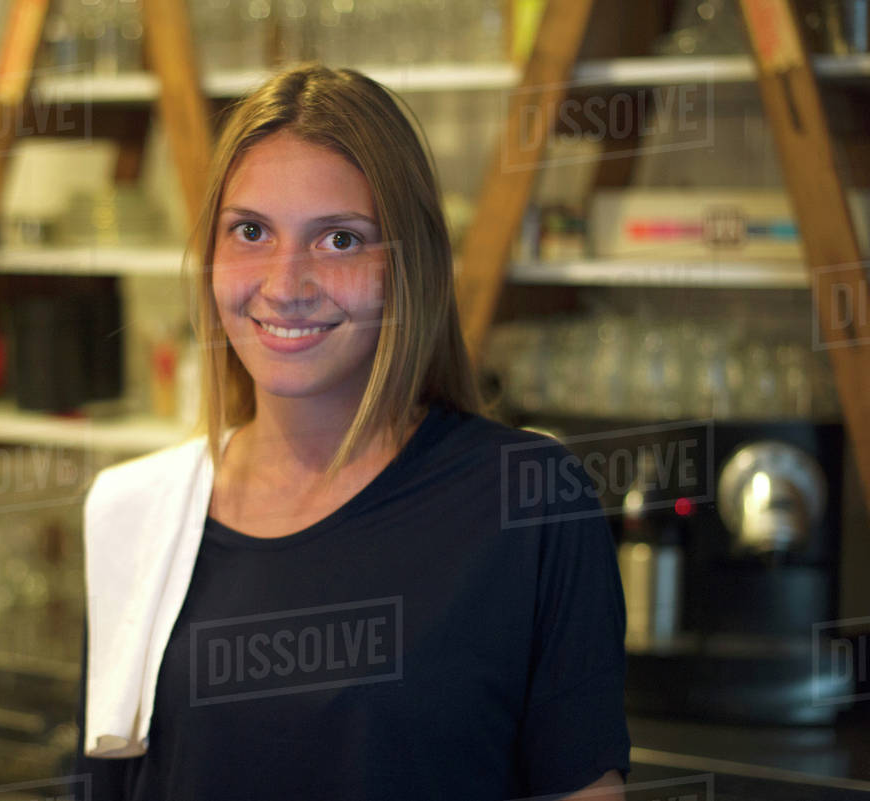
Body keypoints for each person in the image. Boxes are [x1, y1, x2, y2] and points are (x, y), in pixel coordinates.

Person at [73, 63, 629, 801]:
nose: (285, 282)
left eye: (339, 239)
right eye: (250, 231)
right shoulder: (136, 513)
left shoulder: (529, 504)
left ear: (410, 266)